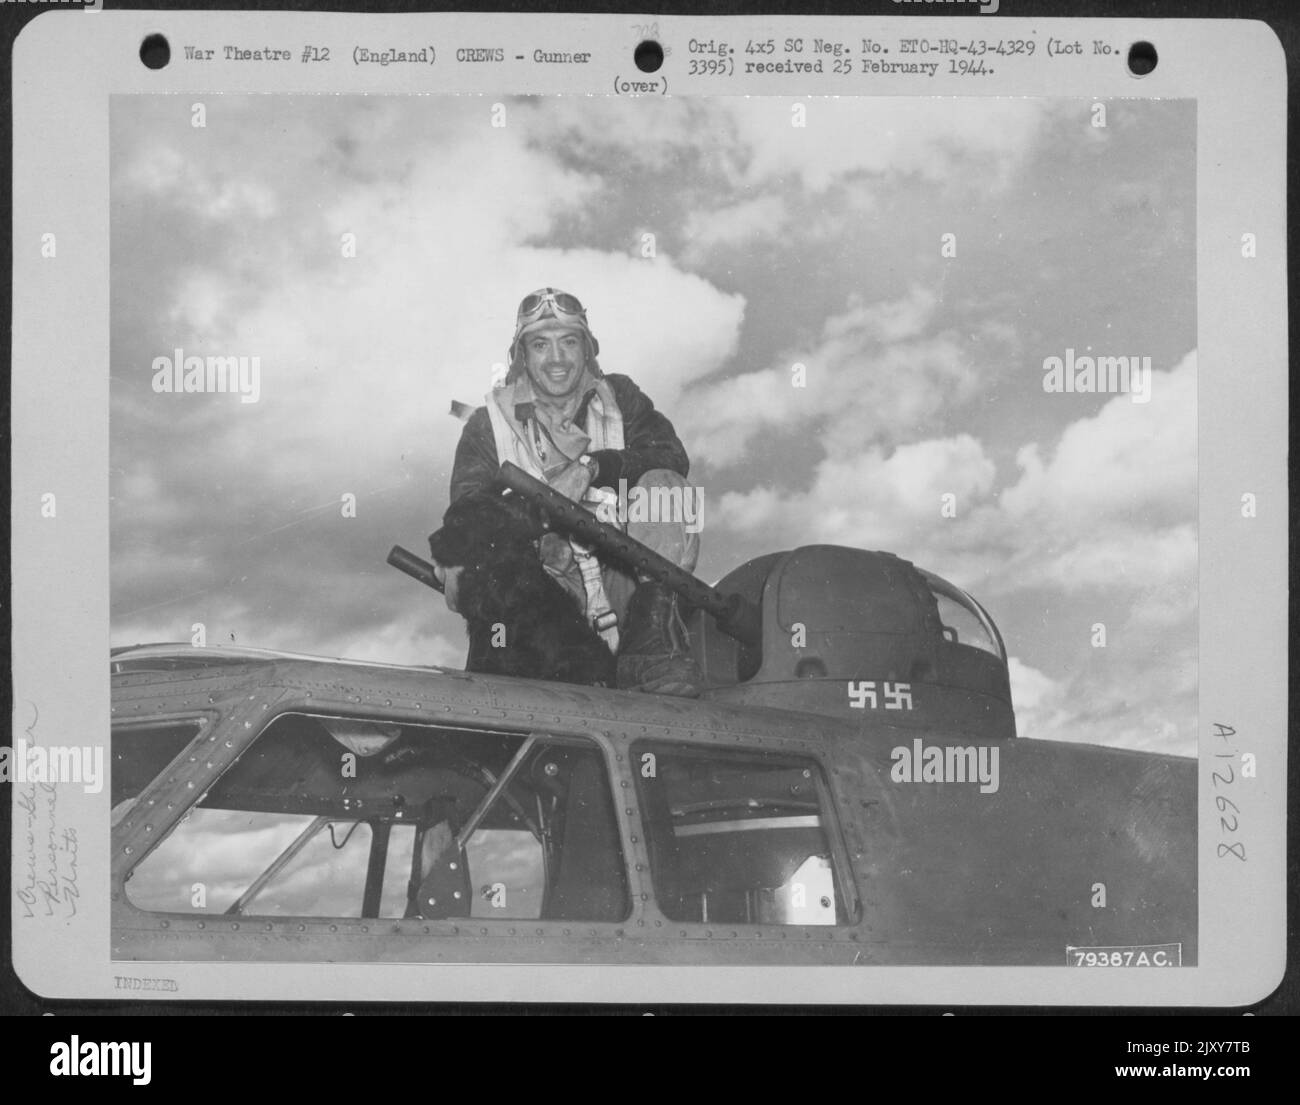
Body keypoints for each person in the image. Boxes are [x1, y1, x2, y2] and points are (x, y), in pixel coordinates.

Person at [445, 287, 703, 697]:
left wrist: (593, 468)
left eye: (569, 342)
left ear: (587, 350)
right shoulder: (486, 425)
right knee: (483, 558)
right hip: (540, 597)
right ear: (522, 355)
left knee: (671, 490)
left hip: (623, 577)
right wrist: (544, 509)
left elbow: (671, 454)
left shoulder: (620, 398)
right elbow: (465, 521)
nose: (557, 358)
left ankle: (653, 647)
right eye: (540, 345)